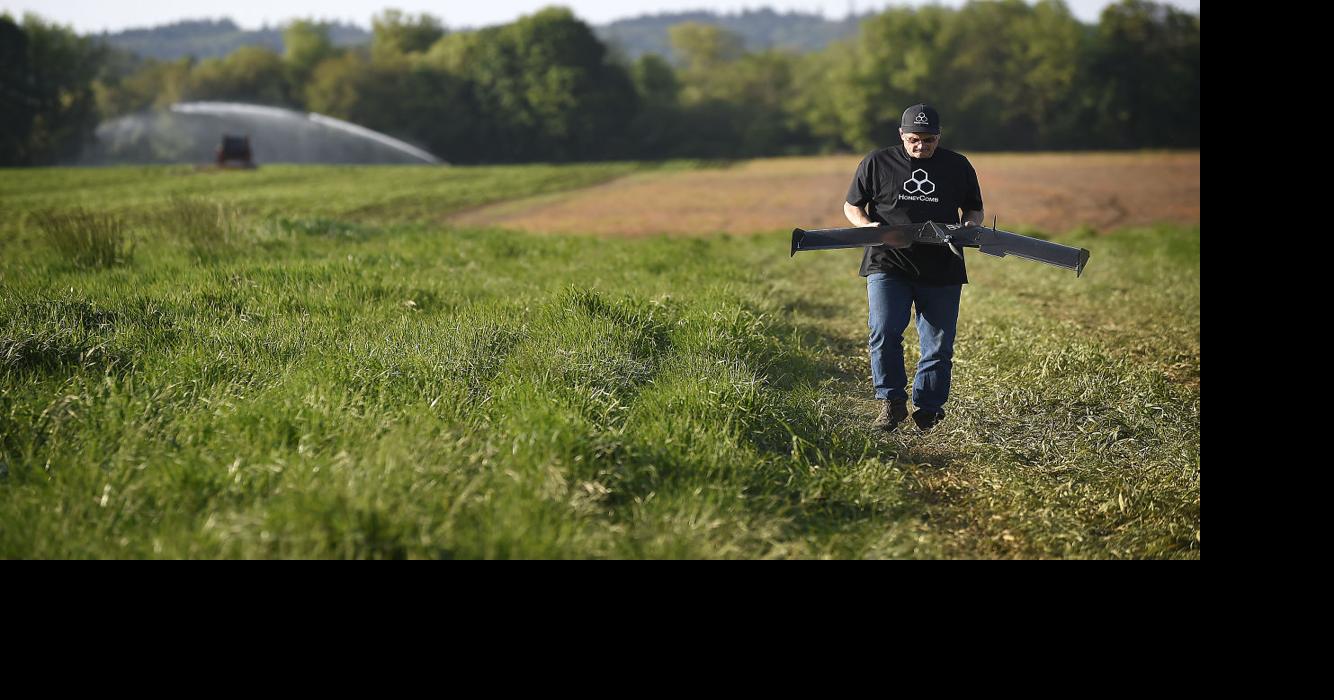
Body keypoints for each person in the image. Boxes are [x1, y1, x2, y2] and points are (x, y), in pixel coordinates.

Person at [843, 104, 984, 432]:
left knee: (938, 342)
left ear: (939, 136)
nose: (922, 146)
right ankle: (891, 402)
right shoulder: (877, 162)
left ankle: (929, 406)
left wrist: (967, 226)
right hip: (887, 262)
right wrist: (867, 225)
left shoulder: (958, 165)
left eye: (930, 140)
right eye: (914, 139)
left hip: (943, 264)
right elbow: (852, 206)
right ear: (901, 135)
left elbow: (974, 210)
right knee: (884, 330)